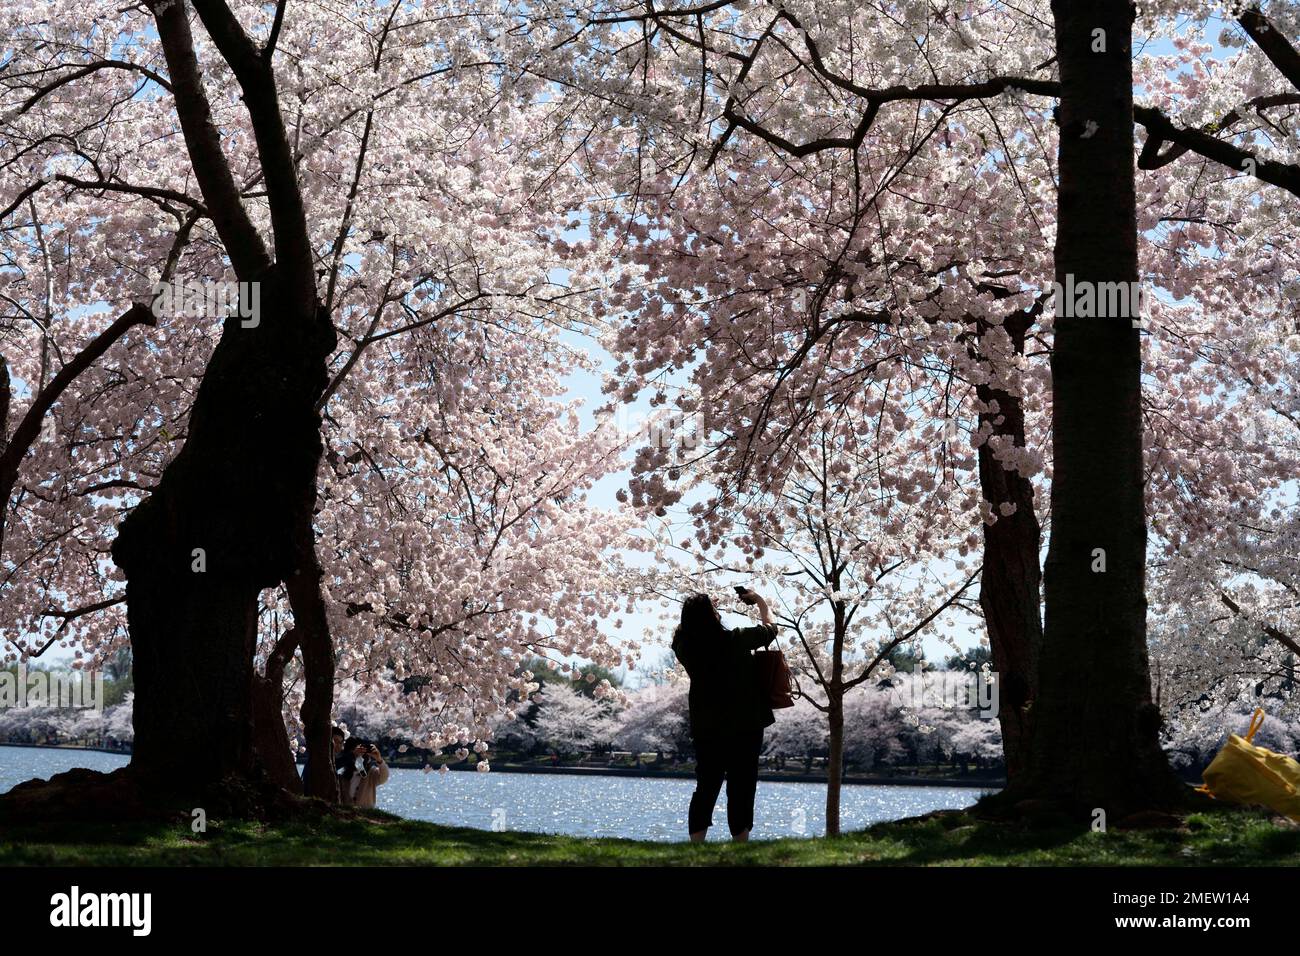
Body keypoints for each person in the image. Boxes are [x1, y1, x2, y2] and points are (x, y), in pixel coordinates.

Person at [671, 589, 777, 842]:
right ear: (713, 616)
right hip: (745, 722)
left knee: (706, 785)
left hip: (707, 724)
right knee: (742, 783)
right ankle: (740, 843)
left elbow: (685, 628)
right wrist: (760, 601)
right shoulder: (735, 639)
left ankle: (696, 843)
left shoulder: (683, 647)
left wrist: (700, 609)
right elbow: (771, 629)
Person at [337, 737, 390, 808]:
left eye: (361, 751)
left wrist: (379, 759)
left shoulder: (371, 773)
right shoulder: (341, 776)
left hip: (366, 815)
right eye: (354, 751)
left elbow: (384, 777)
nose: (358, 755)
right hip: (346, 816)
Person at [302, 725, 347, 797]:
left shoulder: (329, 757)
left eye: (340, 742)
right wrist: (352, 755)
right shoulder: (319, 757)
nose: (338, 745)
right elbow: (332, 766)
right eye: (335, 741)